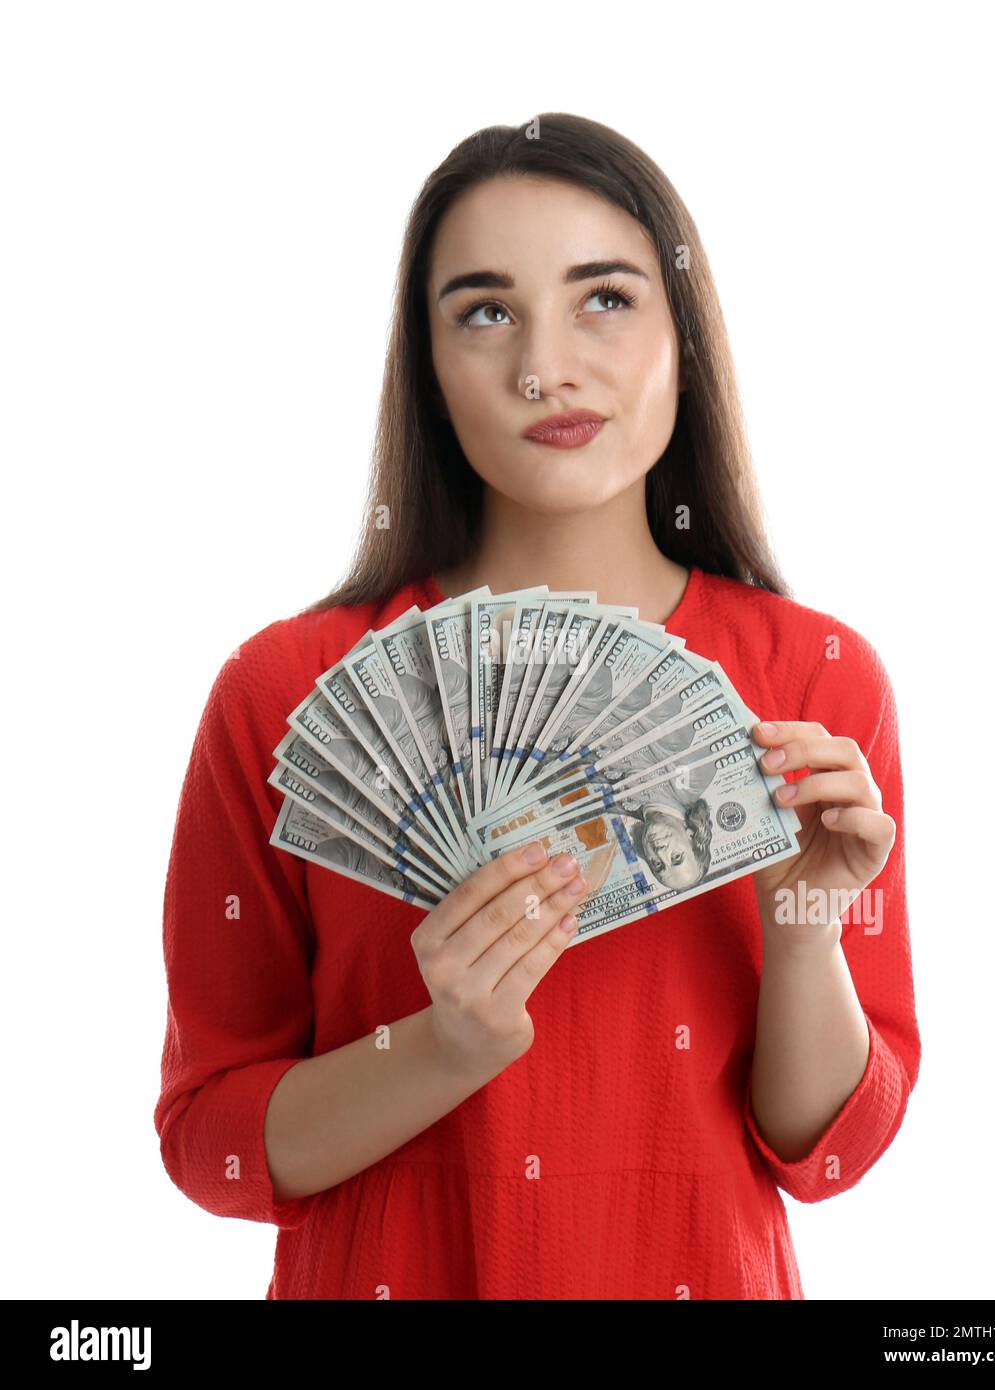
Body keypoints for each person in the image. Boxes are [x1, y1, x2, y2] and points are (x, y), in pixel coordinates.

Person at [153, 112, 921, 1300]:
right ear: (427, 363)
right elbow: (210, 1140)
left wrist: (805, 921)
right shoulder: (284, 693)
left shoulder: (816, 676)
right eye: (485, 310)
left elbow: (829, 1150)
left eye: (603, 297)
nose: (543, 367)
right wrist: (440, 1049)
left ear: (684, 335)